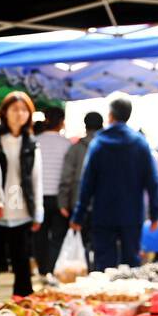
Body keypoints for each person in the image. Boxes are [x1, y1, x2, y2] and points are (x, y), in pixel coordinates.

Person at [72, 96, 158, 270]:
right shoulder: (140, 143)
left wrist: (79, 215)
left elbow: (87, 183)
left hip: (103, 214)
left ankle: (104, 297)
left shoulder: (98, 143)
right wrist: (155, 214)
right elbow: (153, 181)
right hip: (132, 214)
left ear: (110, 116)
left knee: (104, 264)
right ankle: (131, 296)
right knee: (132, 264)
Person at [0, 91, 43, 298]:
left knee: (22, 261)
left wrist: (38, 211)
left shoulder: (31, 143)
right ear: (4, 112)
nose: (19, 114)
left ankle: (22, 303)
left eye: (24, 110)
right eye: (15, 109)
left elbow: (36, 178)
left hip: (23, 210)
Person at [34, 105, 71, 284]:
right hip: (59, 198)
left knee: (40, 235)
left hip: (38, 196)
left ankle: (42, 270)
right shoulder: (67, 145)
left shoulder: (35, 140)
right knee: (57, 236)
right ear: (62, 123)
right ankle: (51, 268)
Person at [58, 111, 103, 261]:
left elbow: (67, 176)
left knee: (81, 244)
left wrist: (63, 201)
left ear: (85, 125)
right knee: (101, 245)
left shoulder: (75, 148)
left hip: (78, 204)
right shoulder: (108, 147)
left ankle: (84, 274)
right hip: (103, 204)